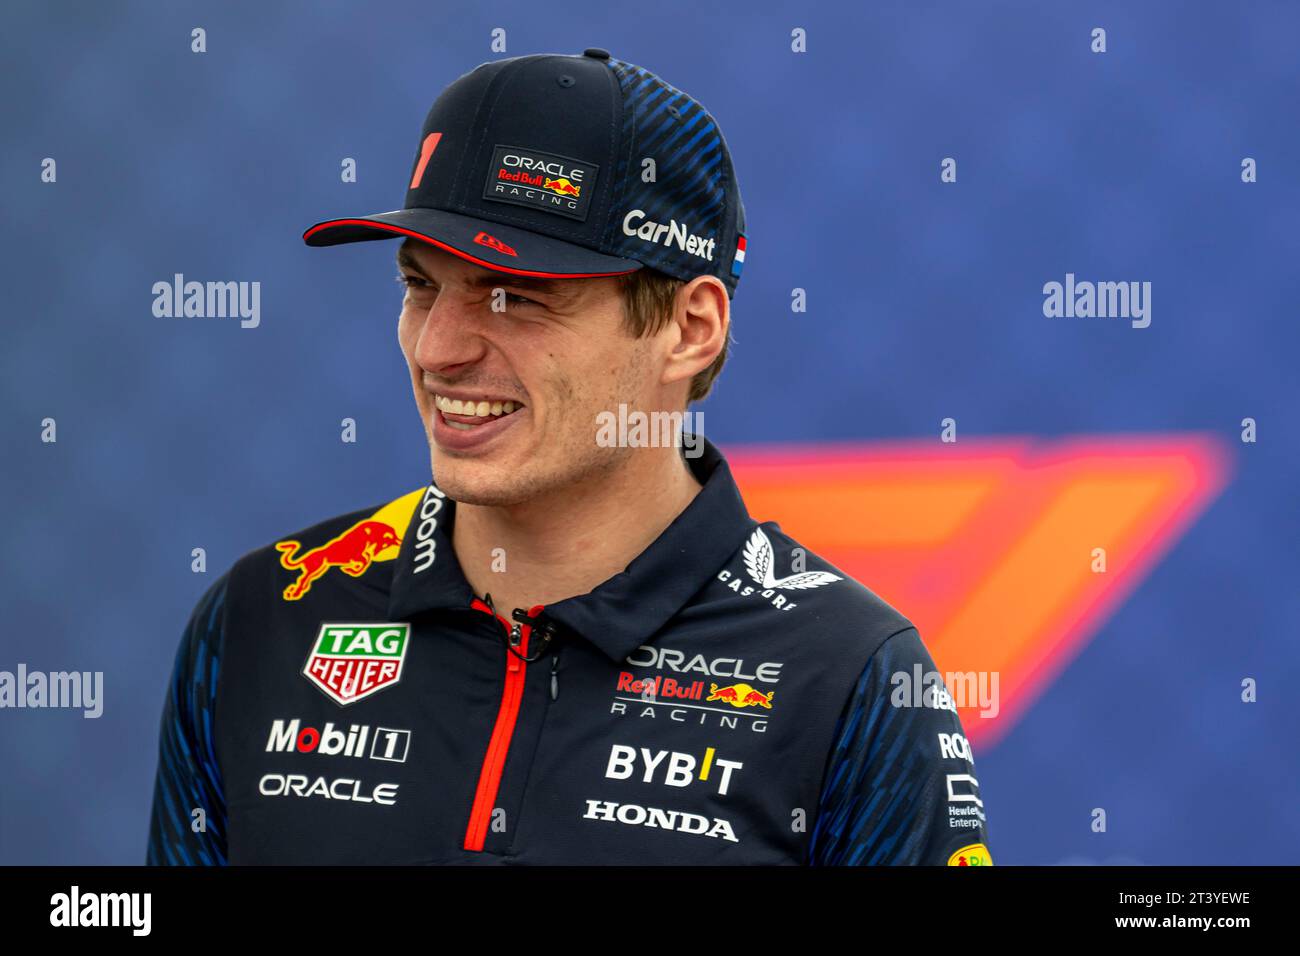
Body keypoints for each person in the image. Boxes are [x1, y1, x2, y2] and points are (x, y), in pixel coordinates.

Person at [147, 49, 991, 865]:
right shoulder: (266, 615)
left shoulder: (847, 677)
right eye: (419, 285)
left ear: (688, 329)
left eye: (512, 295)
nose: (437, 348)